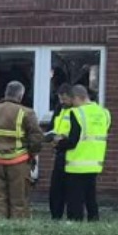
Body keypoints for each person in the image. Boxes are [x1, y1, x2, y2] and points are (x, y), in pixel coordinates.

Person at [0, 80, 44, 219]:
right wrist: (31, 153)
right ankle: (18, 229)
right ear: (21, 95)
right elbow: (37, 138)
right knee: (19, 200)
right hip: (19, 162)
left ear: (6, 93)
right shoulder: (26, 113)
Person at [56, 84, 111, 222]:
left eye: (72, 100)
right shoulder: (104, 113)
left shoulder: (77, 113)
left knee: (75, 198)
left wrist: (59, 144)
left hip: (77, 162)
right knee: (90, 195)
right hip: (95, 162)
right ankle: (94, 219)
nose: (72, 104)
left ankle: (75, 222)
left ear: (76, 98)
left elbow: (73, 140)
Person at [47, 83, 74, 220]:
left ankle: (71, 216)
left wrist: (64, 137)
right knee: (56, 188)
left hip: (72, 152)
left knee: (70, 188)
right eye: (60, 98)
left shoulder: (77, 110)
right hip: (59, 151)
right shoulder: (59, 109)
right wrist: (51, 137)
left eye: (65, 98)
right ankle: (55, 216)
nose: (62, 101)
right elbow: (53, 126)